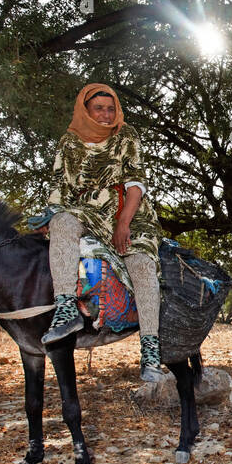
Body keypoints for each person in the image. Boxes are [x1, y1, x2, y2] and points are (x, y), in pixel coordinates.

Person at [42, 84, 166, 382]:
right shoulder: (68, 142)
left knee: (141, 264)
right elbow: (59, 185)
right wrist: (52, 215)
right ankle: (65, 310)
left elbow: (136, 181)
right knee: (61, 223)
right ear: (86, 110)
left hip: (129, 212)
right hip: (87, 210)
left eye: (111, 109)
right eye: (99, 108)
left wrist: (124, 223)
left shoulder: (126, 135)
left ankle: (150, 351)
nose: (107, 114)